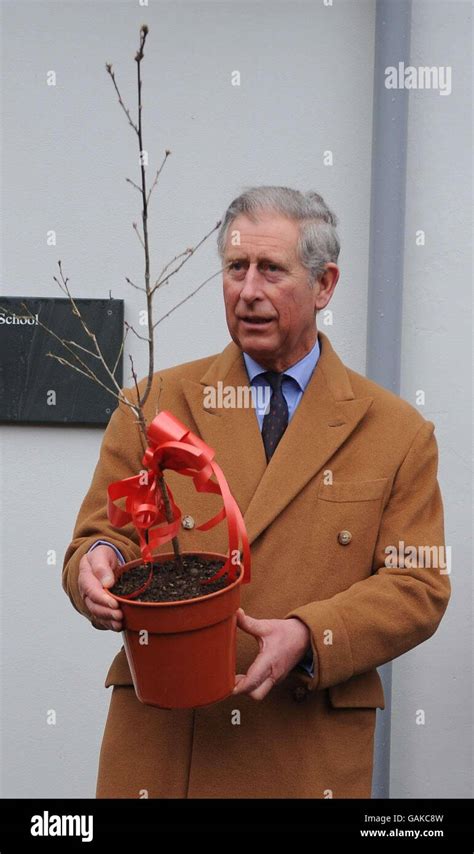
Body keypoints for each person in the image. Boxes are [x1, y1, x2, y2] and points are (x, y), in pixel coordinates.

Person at [62, 186, 451, 798]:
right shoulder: (155, 403)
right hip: (170, 747)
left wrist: (309, 634)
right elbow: (104, 534)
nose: (248, 290)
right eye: (235, 268)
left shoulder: (397, 432)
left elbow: (418, 585)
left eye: (272, 270)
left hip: (304, 751)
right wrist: (95, 565)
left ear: (325, 286)